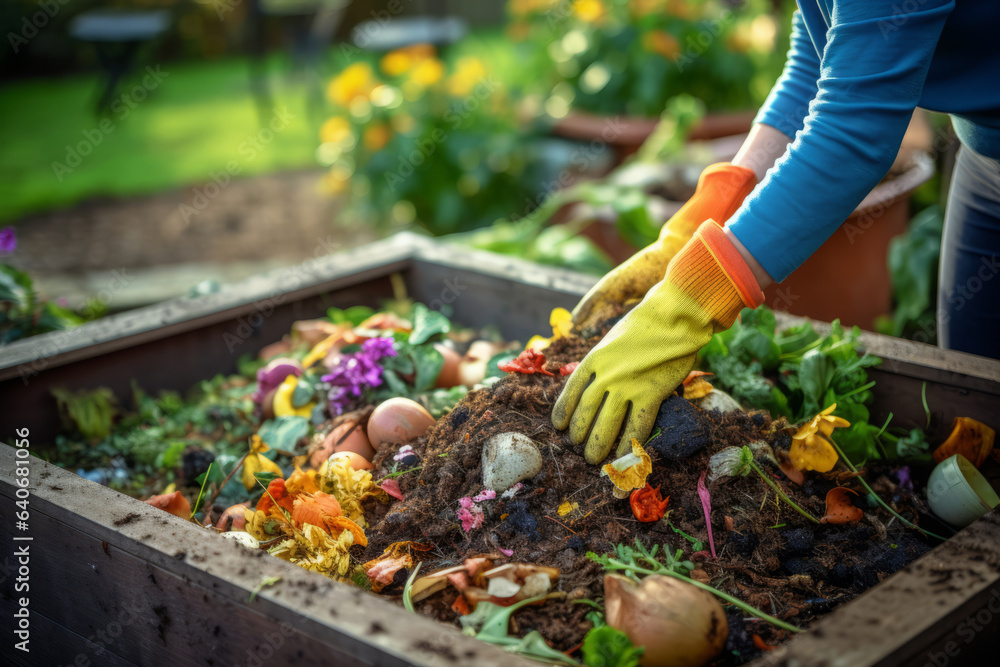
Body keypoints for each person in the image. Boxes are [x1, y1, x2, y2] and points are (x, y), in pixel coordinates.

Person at [552, 0, 1000, 465]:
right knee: (980, 395)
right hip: (987, 158)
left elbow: (853, 135)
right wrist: (699, 226)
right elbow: (816, 67)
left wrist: (689, 304)